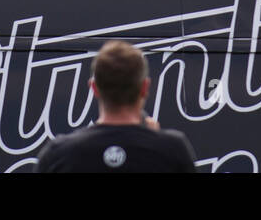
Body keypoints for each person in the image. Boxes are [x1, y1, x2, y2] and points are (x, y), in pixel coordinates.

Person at [35, 40, 198, 173]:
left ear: (94, 88)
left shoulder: (59, 154)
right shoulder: (172, 151)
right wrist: (155, 142)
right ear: (145, 87)